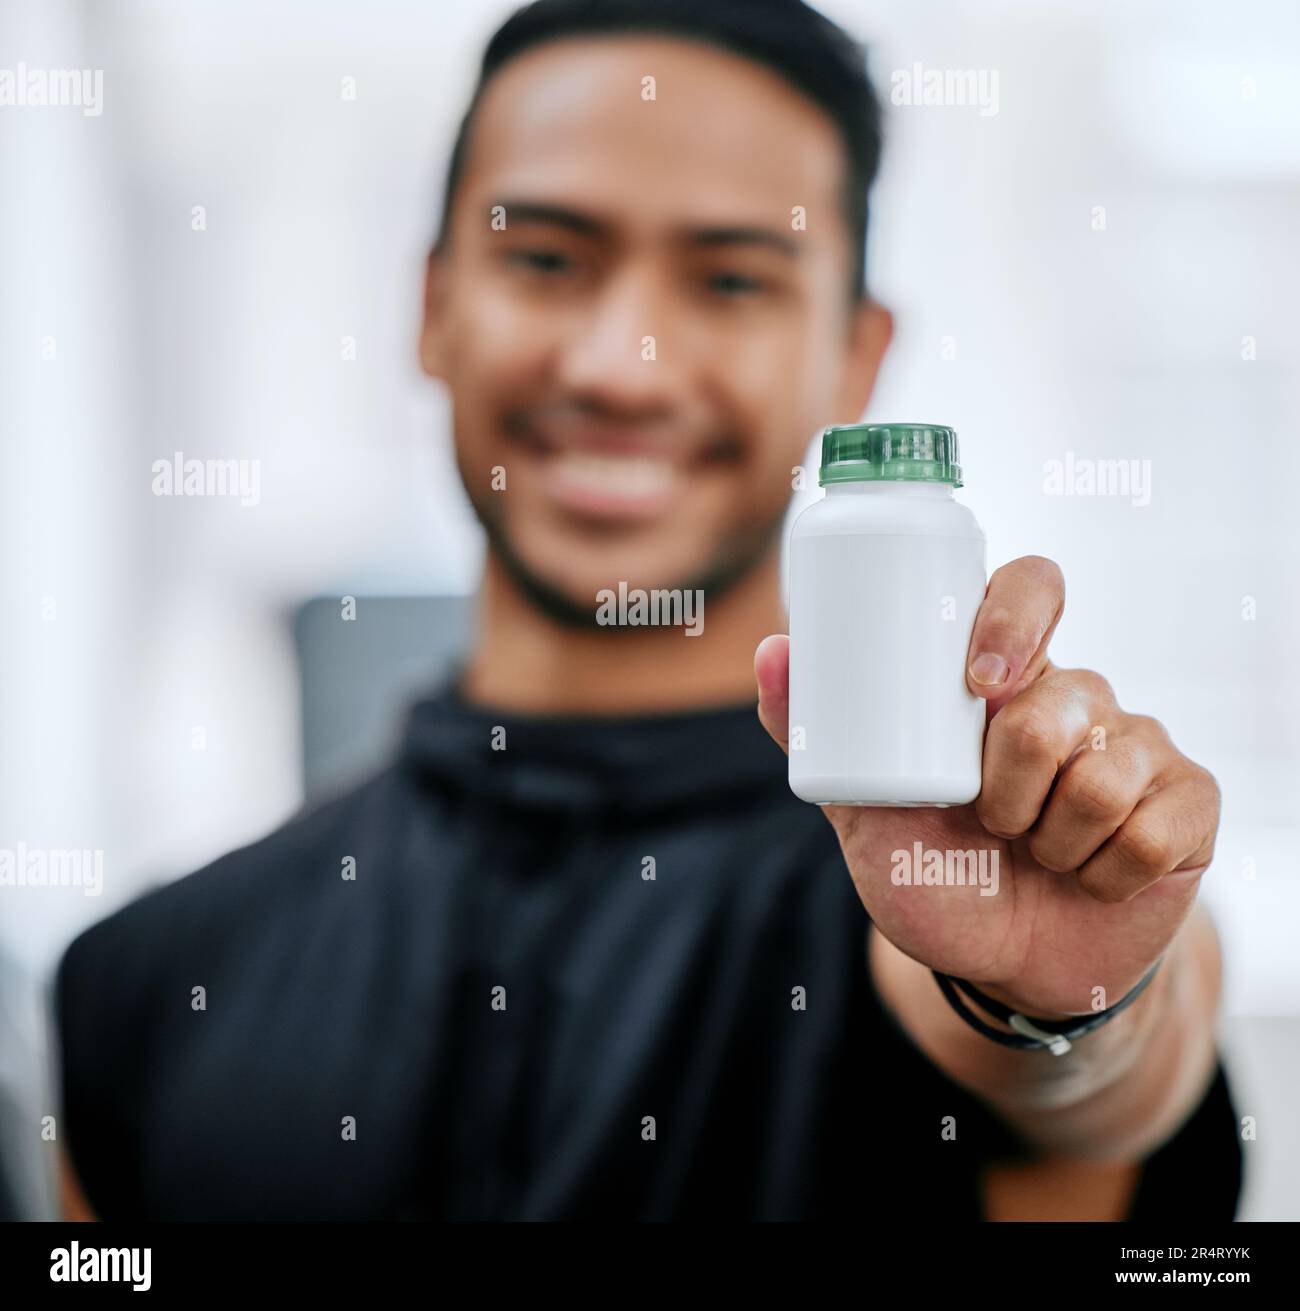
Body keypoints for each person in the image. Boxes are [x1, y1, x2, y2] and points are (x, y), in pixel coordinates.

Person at [53, 0, 1242, 1221]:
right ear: (434, 308)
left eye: (731, 279)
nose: (624, 363)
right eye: (547, 259)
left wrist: (1072, 1011)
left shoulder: (942, 885)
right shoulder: (143, 986)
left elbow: (1091, 1082)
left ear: (854, 361)